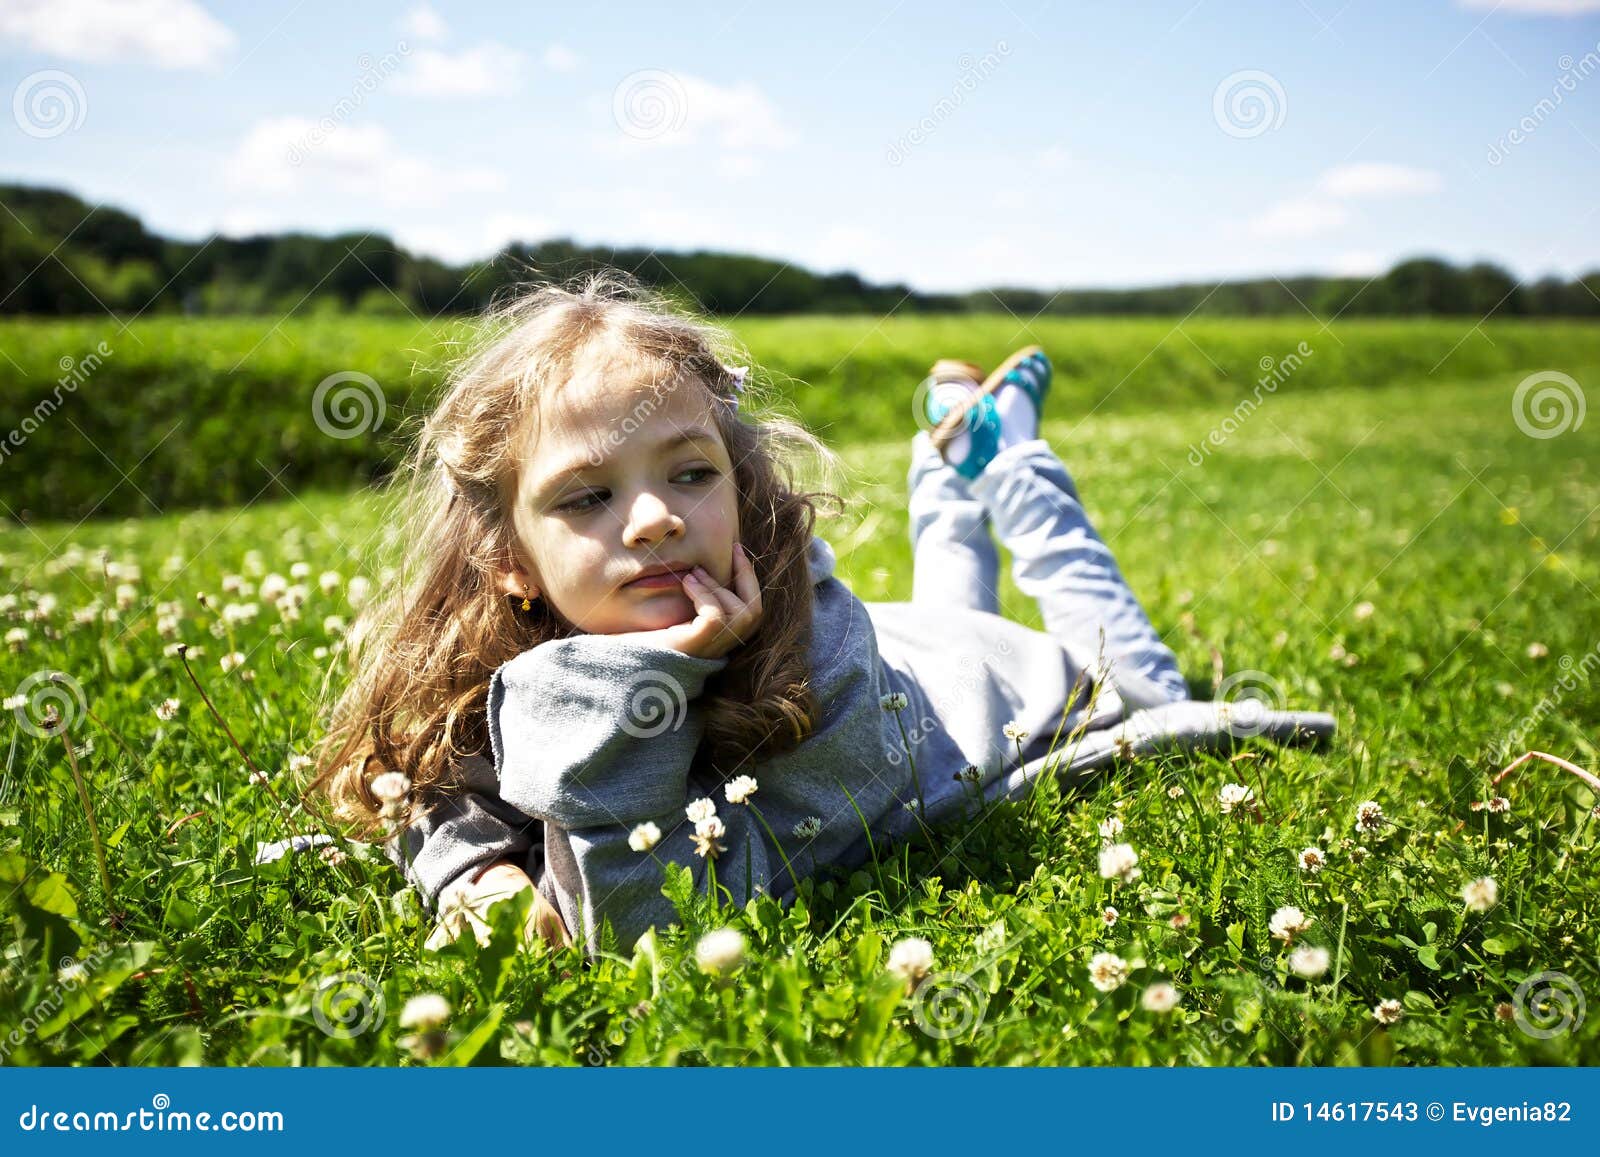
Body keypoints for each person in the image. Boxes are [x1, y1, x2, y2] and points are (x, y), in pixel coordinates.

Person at [310, 273, 1335, 957]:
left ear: (741, 488)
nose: (659, 516)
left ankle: (1007, 458)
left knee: (1144, 678)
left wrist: (649, 682)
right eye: (588, 496)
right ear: (508, 560)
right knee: (935, 617)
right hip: (915, 658)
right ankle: (946, 470)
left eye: (691, 473)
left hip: (996, 689)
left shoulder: (819, 664)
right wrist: (477, 872)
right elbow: (422, 777)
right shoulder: (497, 649)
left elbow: (654, 920)